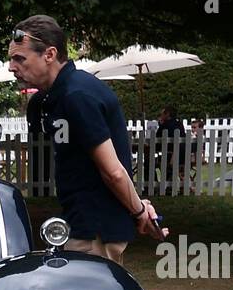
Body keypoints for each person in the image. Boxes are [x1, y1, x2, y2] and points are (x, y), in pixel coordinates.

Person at [9, 14, 168, 261]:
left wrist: (138, 213)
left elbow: (113, 172)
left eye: (20, 58)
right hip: (84, 224)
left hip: (95, 232)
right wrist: (140, 207)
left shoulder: (77, 95)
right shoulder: (58, 94)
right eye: (11, 59)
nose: (12, 67)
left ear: (49, 55)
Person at [155, 104, 186, 195]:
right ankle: (172, 186)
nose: (161, 116)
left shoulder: (165, 126)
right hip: (183, 155)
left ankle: (156, 185)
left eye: (162, 114)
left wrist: (160, 125)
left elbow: (157, 140)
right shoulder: (180, 124)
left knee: (149, 162)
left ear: (167, 114)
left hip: (169, 156)